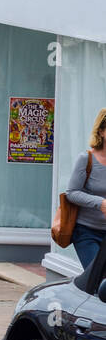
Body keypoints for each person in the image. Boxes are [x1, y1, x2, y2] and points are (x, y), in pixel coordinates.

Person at [66, 107, 106, 268]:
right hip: (87, 232)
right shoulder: (86, 159)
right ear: (102, 131)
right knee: (96, 280)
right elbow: (72, 193)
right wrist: (100, 203)